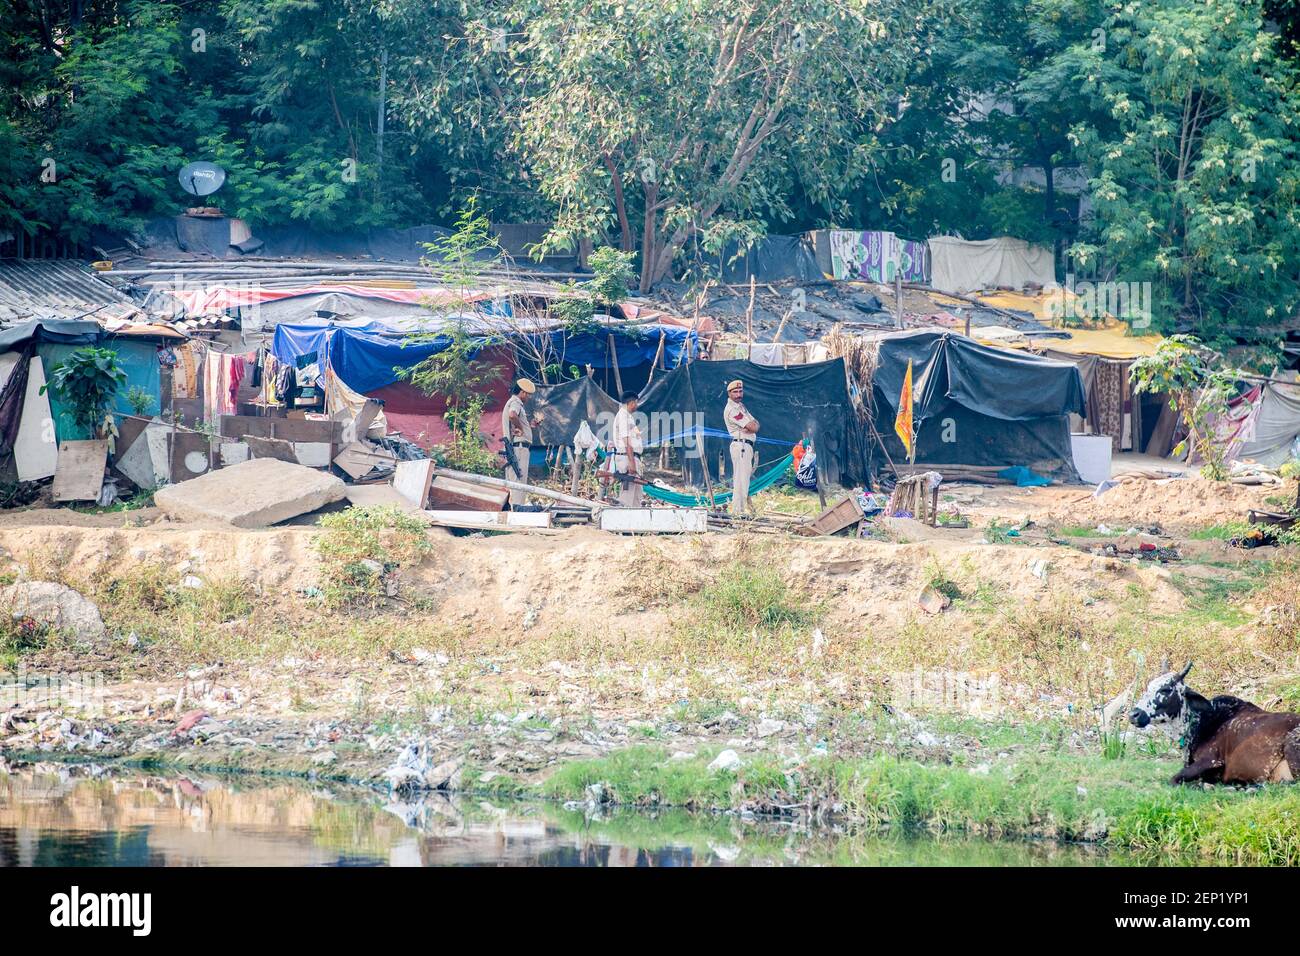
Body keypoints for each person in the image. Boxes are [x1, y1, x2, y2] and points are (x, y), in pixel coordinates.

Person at [501, 378, 540, 506]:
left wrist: (528, 425)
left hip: (517, 447)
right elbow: (512, 415)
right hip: (520, 448)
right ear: (522, 392)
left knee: (515, 481)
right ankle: (517, 511)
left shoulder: (513, 402)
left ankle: (513, 508)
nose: (528, 397)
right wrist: (520, 428)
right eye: (527, 394)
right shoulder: (516, 402)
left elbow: (515, 419)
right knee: (519, 481)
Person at [723, 379, 758, 515]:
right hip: (741, 445)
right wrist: (751, 426)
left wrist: (752, 426)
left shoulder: (741, 407)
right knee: (740, 481)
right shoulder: (732, 409)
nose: (738, 394)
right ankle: (738, 513)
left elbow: (756, 424)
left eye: (740, 391)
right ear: (729, 394)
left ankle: (740, 511)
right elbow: (753, 426)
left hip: (745, 445)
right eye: (735, 392)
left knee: (743, 480)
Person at [610, 391, 644, 507]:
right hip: (627, 457)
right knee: (628, 494)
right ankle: (622, 521)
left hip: (632, 457)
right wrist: (632, 463)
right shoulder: (623, 416)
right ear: (631, 402)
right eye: (636, 403)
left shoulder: (628, 416)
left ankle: (636, 522)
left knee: (637, 494)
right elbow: (627, 442)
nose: (637, 405)